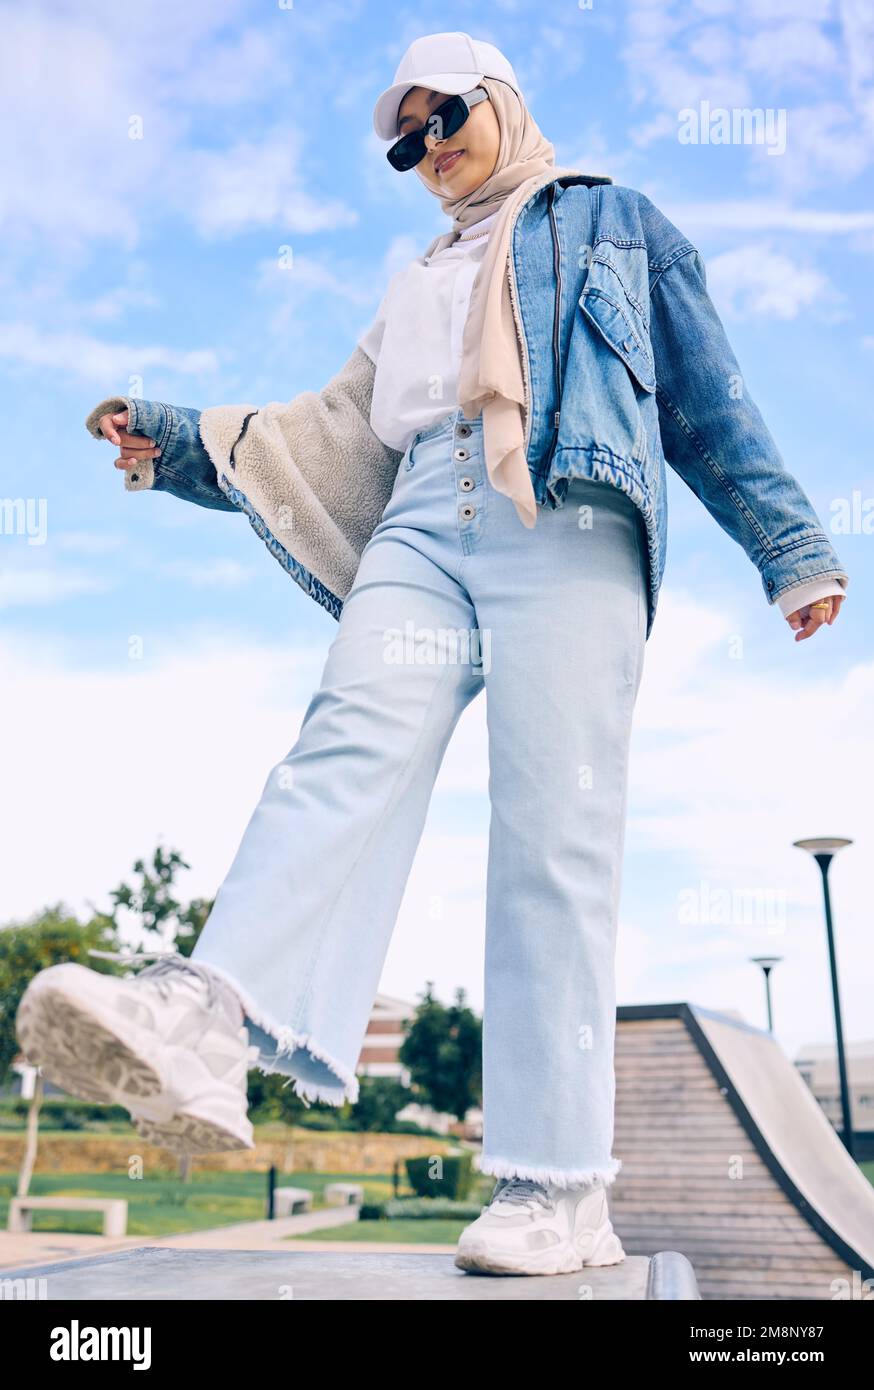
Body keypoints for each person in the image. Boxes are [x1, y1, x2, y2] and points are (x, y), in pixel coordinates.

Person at [17, 32, 849, 1278]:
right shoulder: (415, 281)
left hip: (564, 509)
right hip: (421, 512)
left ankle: (555, 1186)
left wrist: (790, 543)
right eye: (404, 142)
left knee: (548, 841)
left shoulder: (611, 219)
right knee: (339, 744)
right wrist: (183, 445)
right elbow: (329, 433)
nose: (429, 148)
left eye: (444, 115)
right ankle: (206, 1014)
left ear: (500, 101)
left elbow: (705, 391)